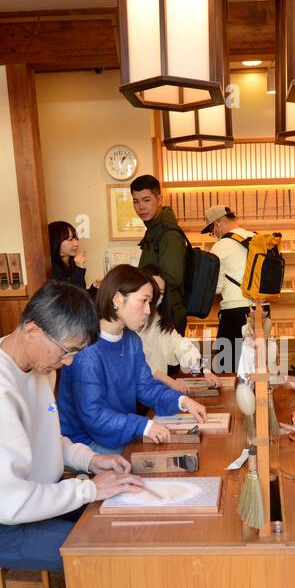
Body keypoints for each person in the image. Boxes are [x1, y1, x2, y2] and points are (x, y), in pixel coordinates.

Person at [0, 282, 149, 570]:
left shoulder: (35, 363)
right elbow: (10, 504)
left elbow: (46, 437)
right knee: (105, 552)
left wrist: (91, 460)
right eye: (67, 351)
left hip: (39, 496)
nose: (69, 362)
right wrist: (89, 490)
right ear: (32, 331)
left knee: (127, 510)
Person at [56, 264, 208, 454]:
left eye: (150, 302)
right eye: (143, 301)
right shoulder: (87, 347)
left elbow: (146, 387)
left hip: (119, 433)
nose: (147, 310)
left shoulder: (131, 340)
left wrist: (183, 401)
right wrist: (145, 426)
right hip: (85, 444)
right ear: (118, 299)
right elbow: (94, 415)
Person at [136, 264, 219, 394]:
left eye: (161, 293)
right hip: (138, 393)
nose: (157, 297)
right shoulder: (131, 322)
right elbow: (141, 364)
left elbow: (182, 346)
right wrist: (169, 382)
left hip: (155, 392)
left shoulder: (160, 320)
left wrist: (205, 369)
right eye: (153, 291)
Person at [131, 174, 189, 333]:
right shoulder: (154, 230)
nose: (141, 206)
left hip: (167, 317)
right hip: (157, 314)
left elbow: (172, 277)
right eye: (136, 201)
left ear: (159, 199)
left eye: (146, 200)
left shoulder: (168, 232)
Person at [202, 204, 254, 370]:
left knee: (228, 367)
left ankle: (234, 397)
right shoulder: (255, 238)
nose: (213, 235)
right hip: (262, 310)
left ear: (217, 224)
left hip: (235, 313)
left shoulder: (221, 246)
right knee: (254, 366)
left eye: (211, 230)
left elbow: (216, 287)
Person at [48, 220, 99, 292]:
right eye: (70, 239)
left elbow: (81, 296)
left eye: (76, 238)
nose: (76, 243)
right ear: (56, 241)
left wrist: (93, 289)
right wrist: (79, 268)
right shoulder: (52, 269)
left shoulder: (72, 263)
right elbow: (70, 297)